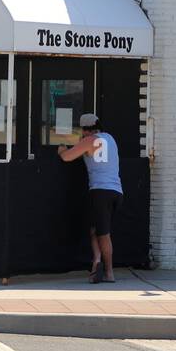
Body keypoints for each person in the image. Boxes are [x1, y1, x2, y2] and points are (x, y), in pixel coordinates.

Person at [56, 112, 122, 283]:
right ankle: (96, 261)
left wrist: (62, 149)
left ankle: (108, 273)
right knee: (95, 229)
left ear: (85, 130)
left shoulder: (88, 141)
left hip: (100, 191)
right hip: (116, 191)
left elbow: (67, 157)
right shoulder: (110, 139)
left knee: (103, 233)